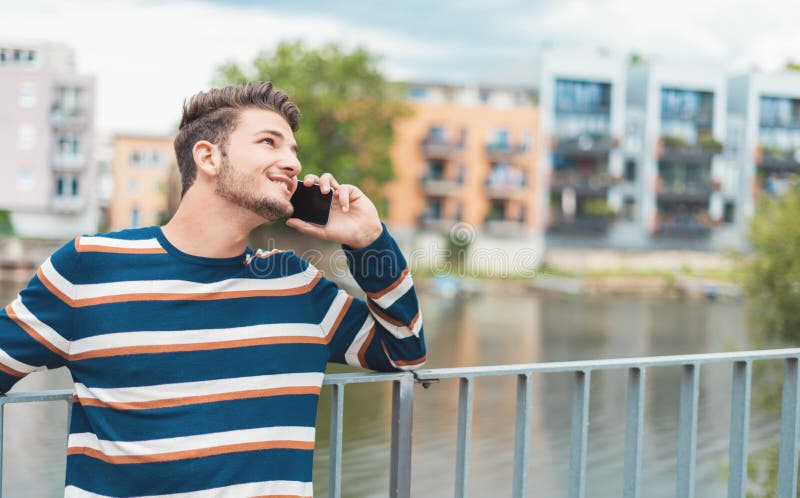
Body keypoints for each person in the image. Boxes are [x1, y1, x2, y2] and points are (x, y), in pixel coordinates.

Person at [0, 81, 426, 497]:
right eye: (269, 142)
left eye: (293, 150)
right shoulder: (88, 267)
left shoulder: (296, 285)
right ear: (208, 157)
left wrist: (368, 240)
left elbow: (404, 350)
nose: (293, 163)